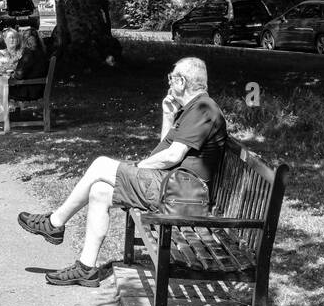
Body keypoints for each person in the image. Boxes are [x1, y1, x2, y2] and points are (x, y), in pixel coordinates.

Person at [18, 56, 227, 286]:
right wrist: (167, 115)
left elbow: (172, 156)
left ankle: (55, 223)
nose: (169, 83)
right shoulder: (190, 110)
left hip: (179, 194)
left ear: (181, 82)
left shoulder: (203, 108)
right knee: (99, 191)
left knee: (100, 164)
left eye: (172, 77)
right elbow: (163, 149)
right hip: (171, 186)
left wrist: (137, 167)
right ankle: (86, 268)